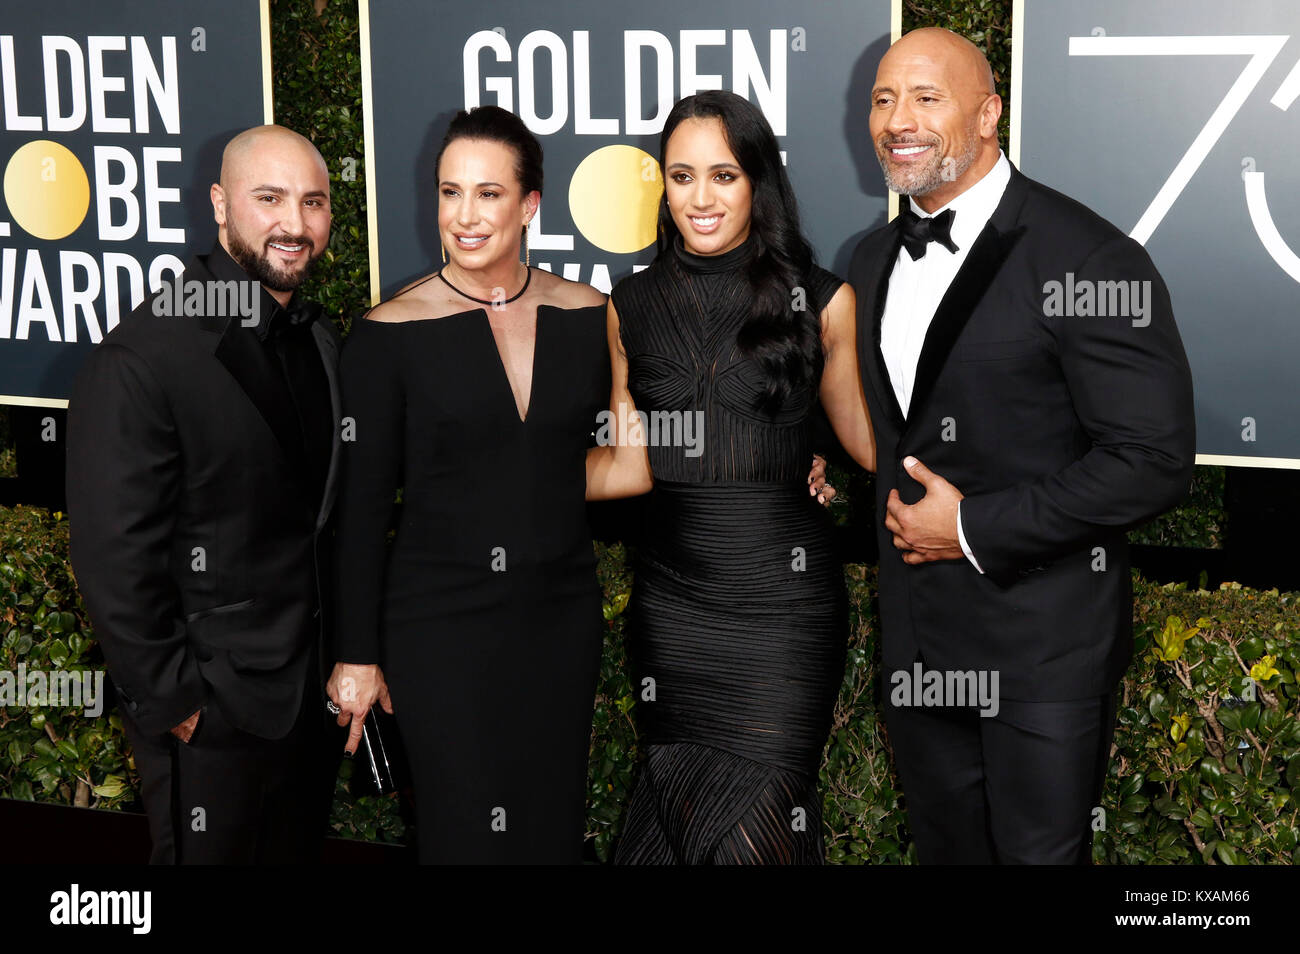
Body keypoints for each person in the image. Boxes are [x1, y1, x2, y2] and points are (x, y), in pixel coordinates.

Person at [849, 28, 1196, 863]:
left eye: (928, 97)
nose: (900, 119)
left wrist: (972, 528)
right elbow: (904, 426)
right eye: (884, 98)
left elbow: (1152, 458)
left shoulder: (1089, 255)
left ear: (989, 112)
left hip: (1042, 655)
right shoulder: (868, 260)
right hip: (919, 647)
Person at [588, 90, 876, 864]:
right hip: (673, 607)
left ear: (759, 182)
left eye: (724, 174)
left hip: (783, 614)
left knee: (755, 839)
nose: (701, 197)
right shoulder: (629, 306)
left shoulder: (823, 302)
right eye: (681, 176)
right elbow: (624, 463)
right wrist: (498, 479)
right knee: (673, 830)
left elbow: (871, 447)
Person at [328, 105, 609, 864]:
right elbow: (358, 511)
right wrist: (357, 655)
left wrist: (796, 458)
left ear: (530, 204)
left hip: (561, 620)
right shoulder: (387, 334)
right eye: (450, 192)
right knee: (465, 836)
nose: (465, 215)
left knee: (549, 830)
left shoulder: (591, 316)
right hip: (439, 627)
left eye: (488, 193)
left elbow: (623, 455)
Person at [66, 125, 341, 863]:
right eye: (270, 198)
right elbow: (111, 552)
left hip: (307, 707)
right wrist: (176, 702)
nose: (295, 223)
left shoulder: (319, 341)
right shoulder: (144, 354)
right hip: (212, 716)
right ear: (221, 205)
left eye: (313, 202)